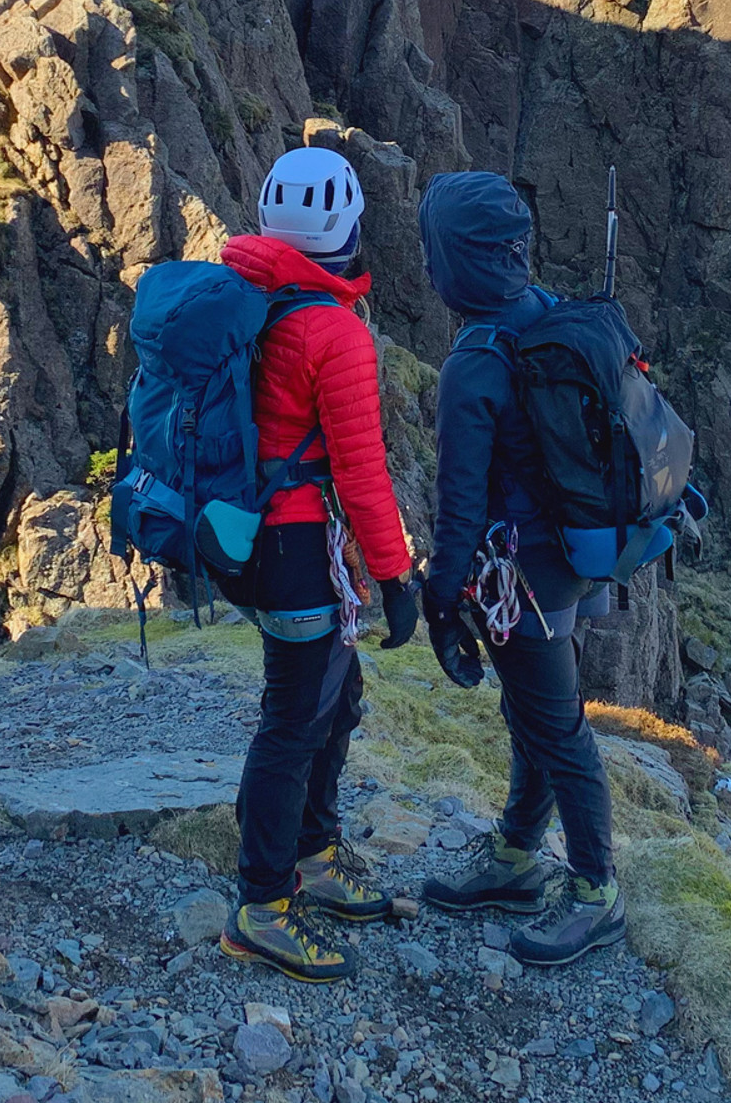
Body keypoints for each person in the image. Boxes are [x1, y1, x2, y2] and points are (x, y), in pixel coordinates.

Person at [217, 146, 420, 983]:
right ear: (347, 226)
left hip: (256, 540)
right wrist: (399, 577)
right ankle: (262, 905)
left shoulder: (247, 294)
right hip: (301, 549)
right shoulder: (332, 329)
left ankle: (315, 857)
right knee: (295, 719)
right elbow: (362, 473)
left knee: (335, 698)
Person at [415, 171, 625, 966]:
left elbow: (459, 512)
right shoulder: (551, 315)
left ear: (451, 262)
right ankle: (514, 852)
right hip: (573, 558)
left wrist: (441, 604)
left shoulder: (475, 363)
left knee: (555, 725)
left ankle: (596, 890)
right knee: (535, 709)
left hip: (523, 580)